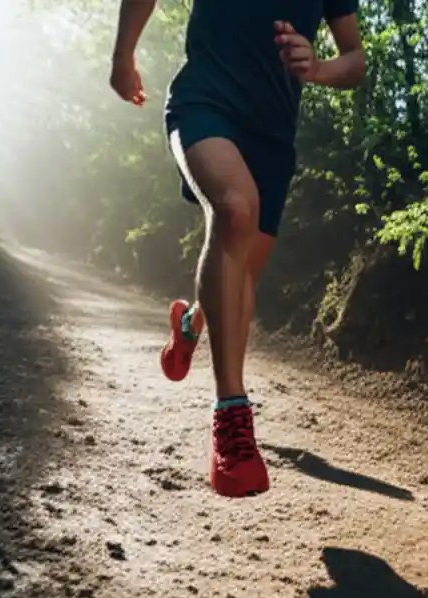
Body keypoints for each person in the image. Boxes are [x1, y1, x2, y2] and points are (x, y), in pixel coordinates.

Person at [110, 1, 365, 497]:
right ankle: (232, 419)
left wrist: (317, 68)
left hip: (272, 135)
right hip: (204, 102)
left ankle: (189, 325)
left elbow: (354, 58)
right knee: (235, 210)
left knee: (242, 268)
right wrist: (124, 56)